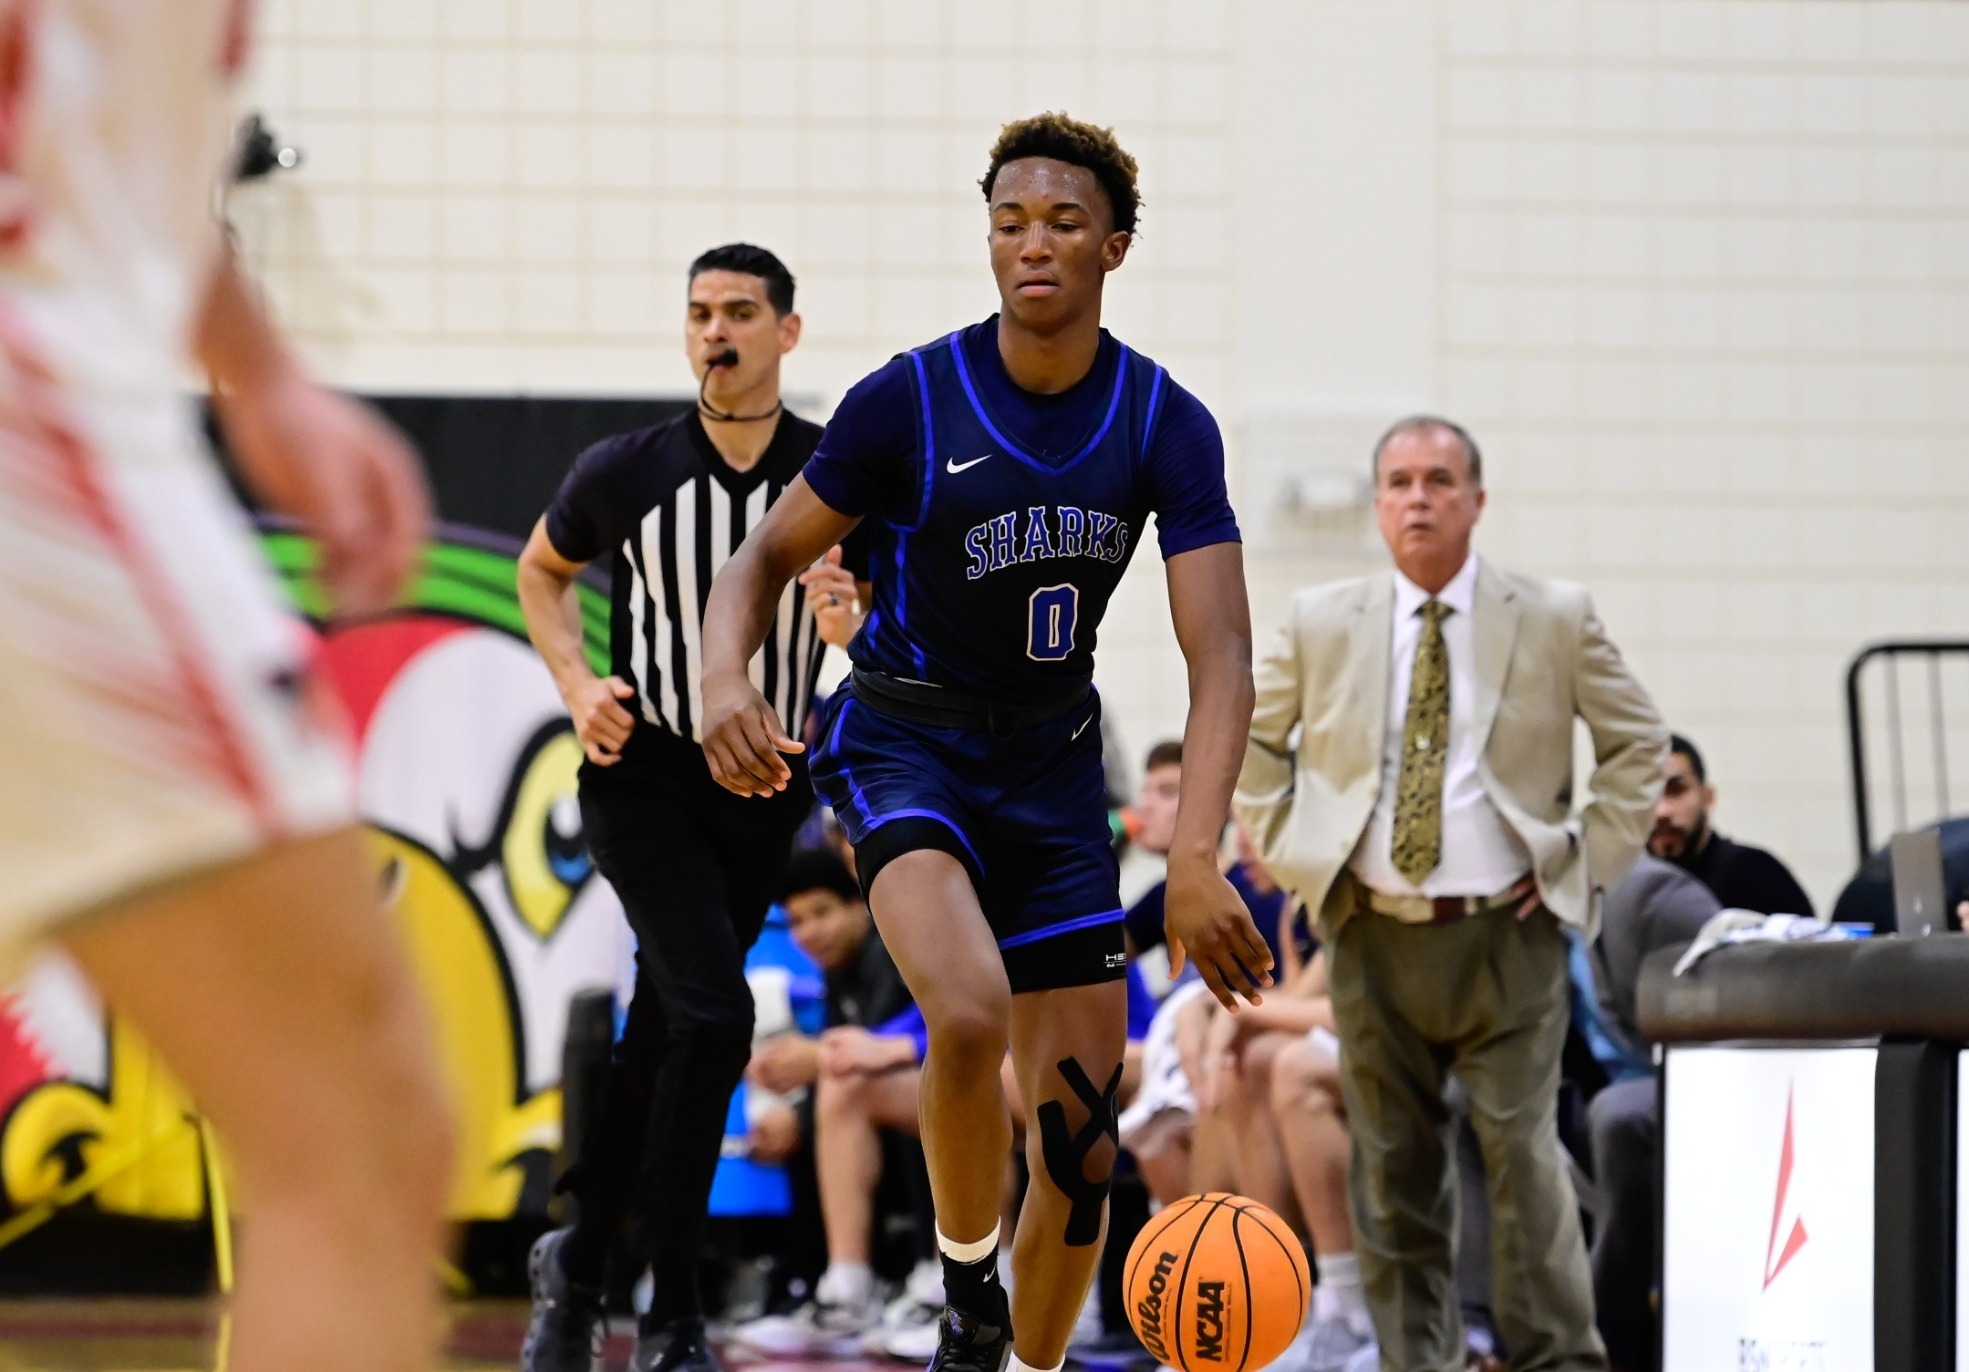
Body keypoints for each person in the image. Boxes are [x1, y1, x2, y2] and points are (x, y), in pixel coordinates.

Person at [700, 112, 1272, 1372]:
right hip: (902, 734)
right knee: (962, 1013)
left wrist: (1192, 853)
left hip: (1054, 764)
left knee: (1079, 1144)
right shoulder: (908, 397)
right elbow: (758, 559)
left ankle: (1032, 1363)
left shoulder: (1163, 421)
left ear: (1114, 247)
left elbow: (1220, 654)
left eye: (1064, 222)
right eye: (1010, 221)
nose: (1033, 244)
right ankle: (967, 1294)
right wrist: (719, 674)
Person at [0, 7, 453, 1372]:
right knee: (359, 1133)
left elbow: (115, 135)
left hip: (85, 361)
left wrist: (256, 372)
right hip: (38, 426)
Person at [1237, 415, 1668, 1372]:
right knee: (1393, 1174)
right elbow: (1252, 744)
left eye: (1439, 480)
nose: (1417, 498)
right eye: (1398, 481)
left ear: (1476, 498)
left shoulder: (1551, 614)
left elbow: (1641, 745)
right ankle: (1414, 1362)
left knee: (1525, 1165)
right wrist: (1299, 852)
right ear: (1379, 503)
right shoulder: (1320, 620)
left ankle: (1560, 1358)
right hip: (1370, 932)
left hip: (1505, 937)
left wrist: (1580, 862)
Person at [515, 244, 859, 1372]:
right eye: (700, 312)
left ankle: (575, 1268)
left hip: (761, 789)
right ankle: (670, 1318)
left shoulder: (838, 472)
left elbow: (888, 607)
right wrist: (577, 688)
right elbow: (540, 572)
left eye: (740, 313)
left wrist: (857, 621)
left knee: (662, 1031)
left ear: (786, 335)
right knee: (714, 1019)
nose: (716, 331)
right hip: (646, 773)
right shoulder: (629, 467)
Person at [1576, 857, 1719, 1372]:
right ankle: (1481, 1333)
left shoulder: (1649, 894)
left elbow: (1731, 987)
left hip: (1680, 1080)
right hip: (1585, 1088)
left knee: (1617, 1117)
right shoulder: (1522, 921)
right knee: (1461, 1101)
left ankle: (1615, 1332)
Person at [1648, 734, 1814, 917]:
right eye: (1647, 795)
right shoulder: (1622, 888)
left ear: (1707, 797)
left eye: (1676, 790)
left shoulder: (1755, 876)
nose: (1661, 811)